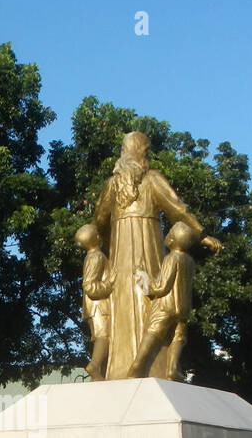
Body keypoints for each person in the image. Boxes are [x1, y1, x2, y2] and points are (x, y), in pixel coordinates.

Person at [90, 131, 219, 380]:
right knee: (149, 296)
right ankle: (154, 368)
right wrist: (201, 236)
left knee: (134, 300)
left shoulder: (112, 185)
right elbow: (178, 209)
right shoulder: (152, 179)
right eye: (146, 151)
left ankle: (129, 368)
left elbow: (99, 222)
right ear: (139, 152)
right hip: (147, 250)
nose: (147, 156)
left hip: (119, 256)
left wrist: (99, 251)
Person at [128, 220, 198, 379]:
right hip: (183, 308)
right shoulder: (190, 261)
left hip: (165, 305)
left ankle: (137, 364)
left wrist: (141, 277)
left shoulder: (172, 258)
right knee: (179, 337)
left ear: (172, 239)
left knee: (152, 332)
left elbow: (160, 286)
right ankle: (172, 369)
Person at [75, 224, 112, 381]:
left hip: (96, 306)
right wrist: (111, 283)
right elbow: (89, 285)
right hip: (99, 305)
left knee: (101, 337)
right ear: (97, 238)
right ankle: (95, 366)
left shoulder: (93, 256)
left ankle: (98, 372)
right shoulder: (96, 256)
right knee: (104, 336)